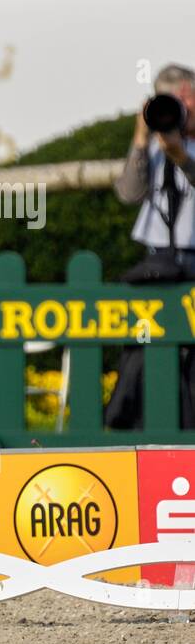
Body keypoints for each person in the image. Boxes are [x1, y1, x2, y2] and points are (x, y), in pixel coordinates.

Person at [106, 63, 195, 430]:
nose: (184, 107)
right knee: (149, 345)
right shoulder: (153, 142)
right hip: (156, 259)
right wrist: (141, 138)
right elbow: (128, 192)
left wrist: (181, 156)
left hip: (192, 254)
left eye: (189, 98)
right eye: (177, 99)